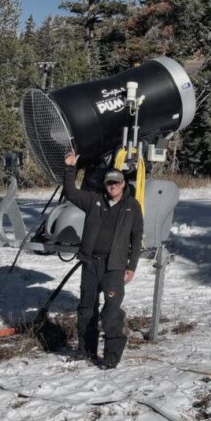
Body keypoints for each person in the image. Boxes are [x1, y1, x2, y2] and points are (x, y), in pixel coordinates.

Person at [62, 150, 144, 369]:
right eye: (109, 183)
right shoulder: (94, 201)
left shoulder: (132, 207)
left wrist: (131, 266)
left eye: (117, 183)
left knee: (111, 311)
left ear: (123, 185)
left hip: (114, 267)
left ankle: (111, 355)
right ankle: (86, 350)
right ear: (105, 184)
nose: (113, 187)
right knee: (86, 308)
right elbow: (70, 192)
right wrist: (70, 168)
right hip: (91, 263)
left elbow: (137, 237)